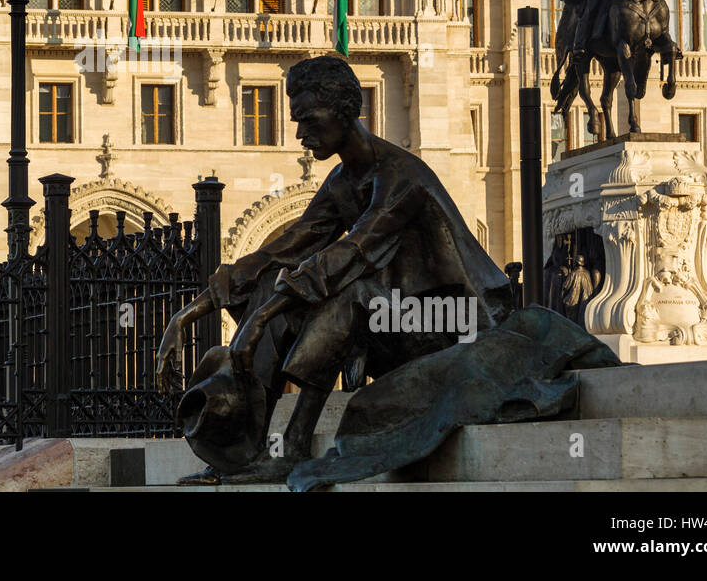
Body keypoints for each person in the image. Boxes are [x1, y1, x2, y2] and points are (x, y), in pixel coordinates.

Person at [155, 55, 514, 483]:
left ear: (344, 111)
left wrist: (261, 319)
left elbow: (352, 253)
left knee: (349, 293)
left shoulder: (402, 177)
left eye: (308, 120)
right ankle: (245, 449)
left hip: (449, 328)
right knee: (278, 280)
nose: (300, 135)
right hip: (396, 326)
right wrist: (190, 312)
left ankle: (291, 448)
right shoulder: (343, 180)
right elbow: (287, 248)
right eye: (297, 122)